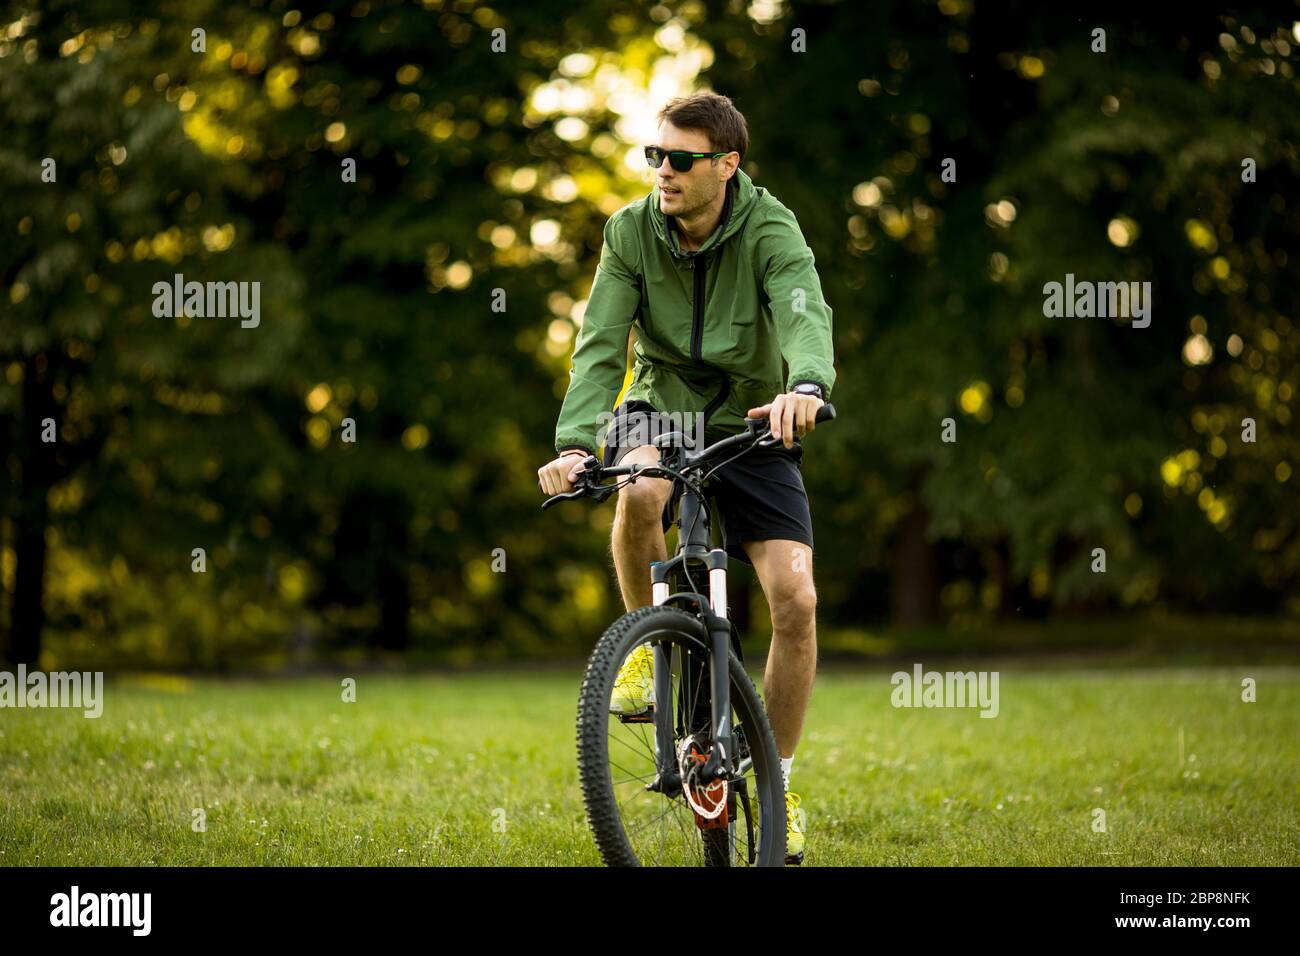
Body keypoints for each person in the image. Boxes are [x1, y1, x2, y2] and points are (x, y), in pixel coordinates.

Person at [536, 91, 836, 865]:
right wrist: (574, 445)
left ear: (726, 166)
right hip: (659, 408)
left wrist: (806, 386)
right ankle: (651, 644)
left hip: (754, 420)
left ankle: (779, 779)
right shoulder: (630, 231)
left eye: (681, 159)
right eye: (654, 155)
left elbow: (802, 305)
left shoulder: (770, 226)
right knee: (638, 491)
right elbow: (600, 341)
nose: (662, 171)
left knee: (796, 601)